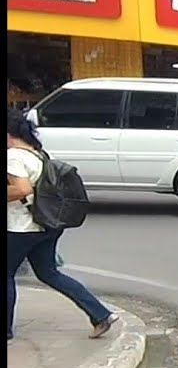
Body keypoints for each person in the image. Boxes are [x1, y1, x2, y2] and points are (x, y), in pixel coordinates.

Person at [7, 110, 118, 342]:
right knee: (49, 273)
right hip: (48, 224)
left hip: (23, 227)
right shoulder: (38, 153)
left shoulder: (14, 156)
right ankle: (100, 314)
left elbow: (22, 189)